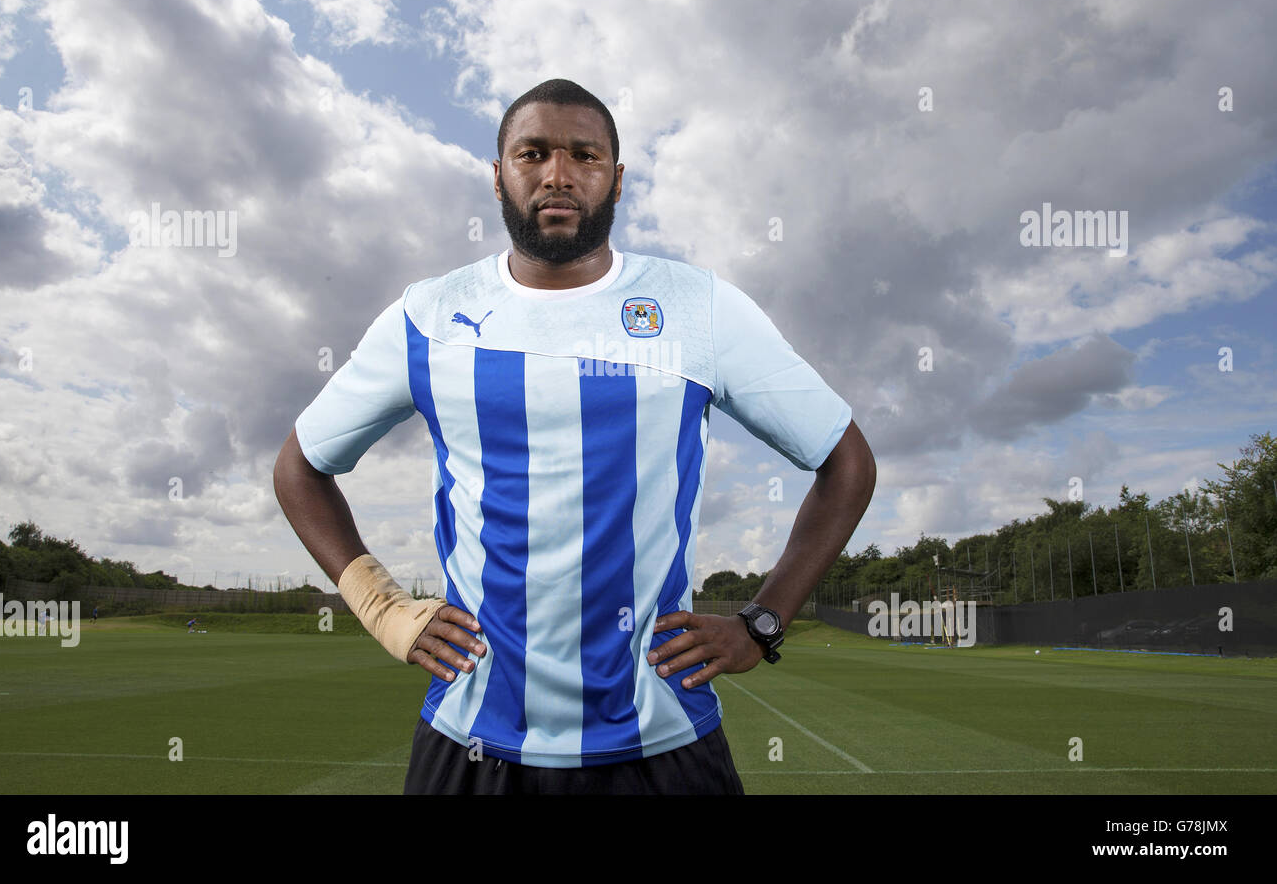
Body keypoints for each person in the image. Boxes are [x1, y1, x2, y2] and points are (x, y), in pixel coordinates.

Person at [273, 78, 876, 794]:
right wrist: (381, 605)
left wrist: (762, 623)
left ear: (616, 181)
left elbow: (845, 460)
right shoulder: (429, 316)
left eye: (584, 156)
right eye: (533, 153)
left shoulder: (699, 309)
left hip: (662, 743)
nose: (558, 174)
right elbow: (300, 466)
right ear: (498, 177)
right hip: (471, 744)